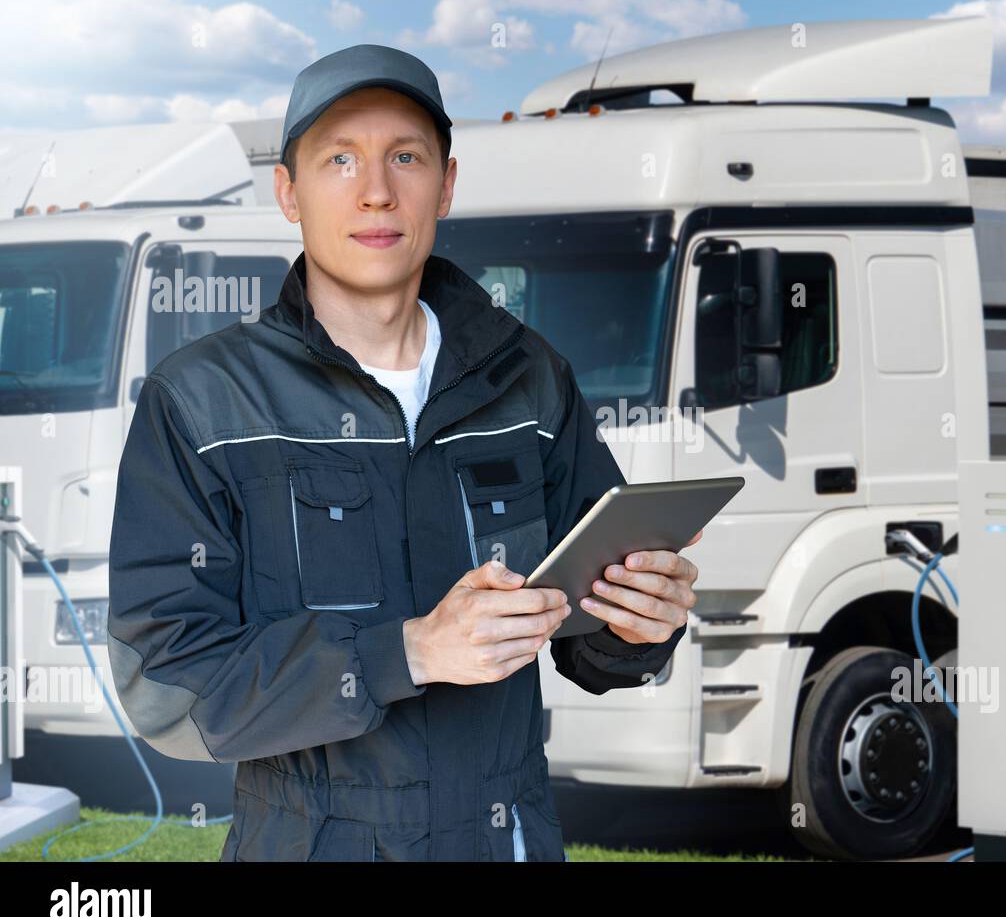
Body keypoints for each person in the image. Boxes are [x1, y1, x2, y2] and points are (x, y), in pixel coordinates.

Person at [106, 44, 700, 862]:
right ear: (288, 192)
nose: (377, 190)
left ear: (447, 185)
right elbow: (165, 681)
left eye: (406, 157)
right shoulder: (201, 401)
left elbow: (590, 640)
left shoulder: (528, 379)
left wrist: (641, 623)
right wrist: (408, 651)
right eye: (340, 158)